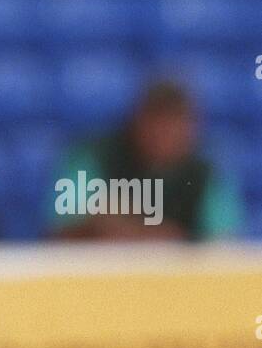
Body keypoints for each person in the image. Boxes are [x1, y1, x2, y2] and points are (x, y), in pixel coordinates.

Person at [49, 80, 243, 242]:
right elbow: (59, 232)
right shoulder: (95, 157)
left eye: (173, 126)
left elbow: (222, 243)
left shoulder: (206, 174)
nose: (164, 135)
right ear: (138, 121)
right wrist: (99, 226)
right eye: (157, 124)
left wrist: (151, 237)